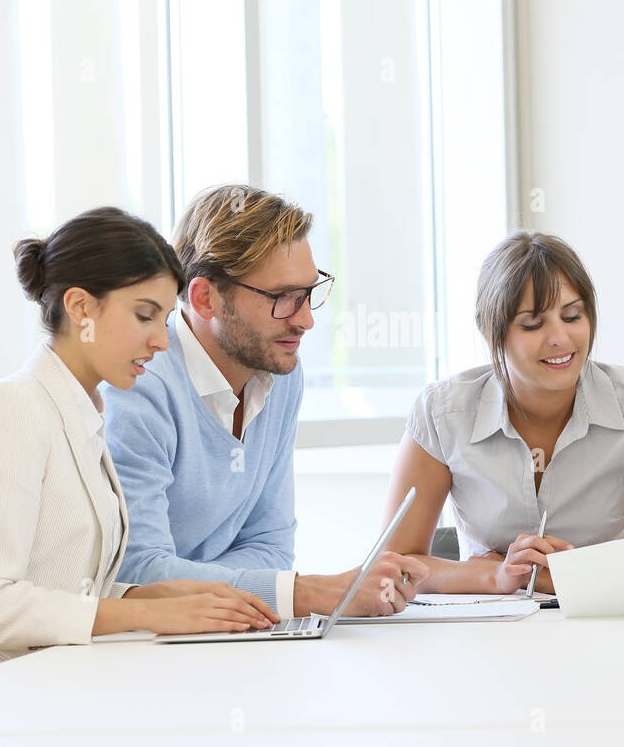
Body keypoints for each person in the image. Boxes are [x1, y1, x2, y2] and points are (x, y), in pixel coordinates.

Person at [0, 208, 279, 694]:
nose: (161, 341)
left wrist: (150, 593)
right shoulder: (14, 408)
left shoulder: (83, 414)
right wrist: (142, 611)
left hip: (35, 693)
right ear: (80, 308)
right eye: (144, 315)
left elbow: (60, 588)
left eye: (164, 318)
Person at [103, 185, 425, 618]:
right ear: (205, 298)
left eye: (310, 292)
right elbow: (138, 573)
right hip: (137, 649)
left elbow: (271, 545)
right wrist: (307, 594)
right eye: (282, 298)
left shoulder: (280, 371)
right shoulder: (138, 383)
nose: (306, 319)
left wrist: (201, 586)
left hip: (224, 633)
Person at [383, 230, 624, 595]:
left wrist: (539, 576)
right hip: (485, 635)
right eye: (533, 324)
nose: (560, 338)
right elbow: (394, 569)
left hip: (607, 629)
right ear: (493, 331)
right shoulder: (443, 413)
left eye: (573, 317)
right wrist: (494, 577)